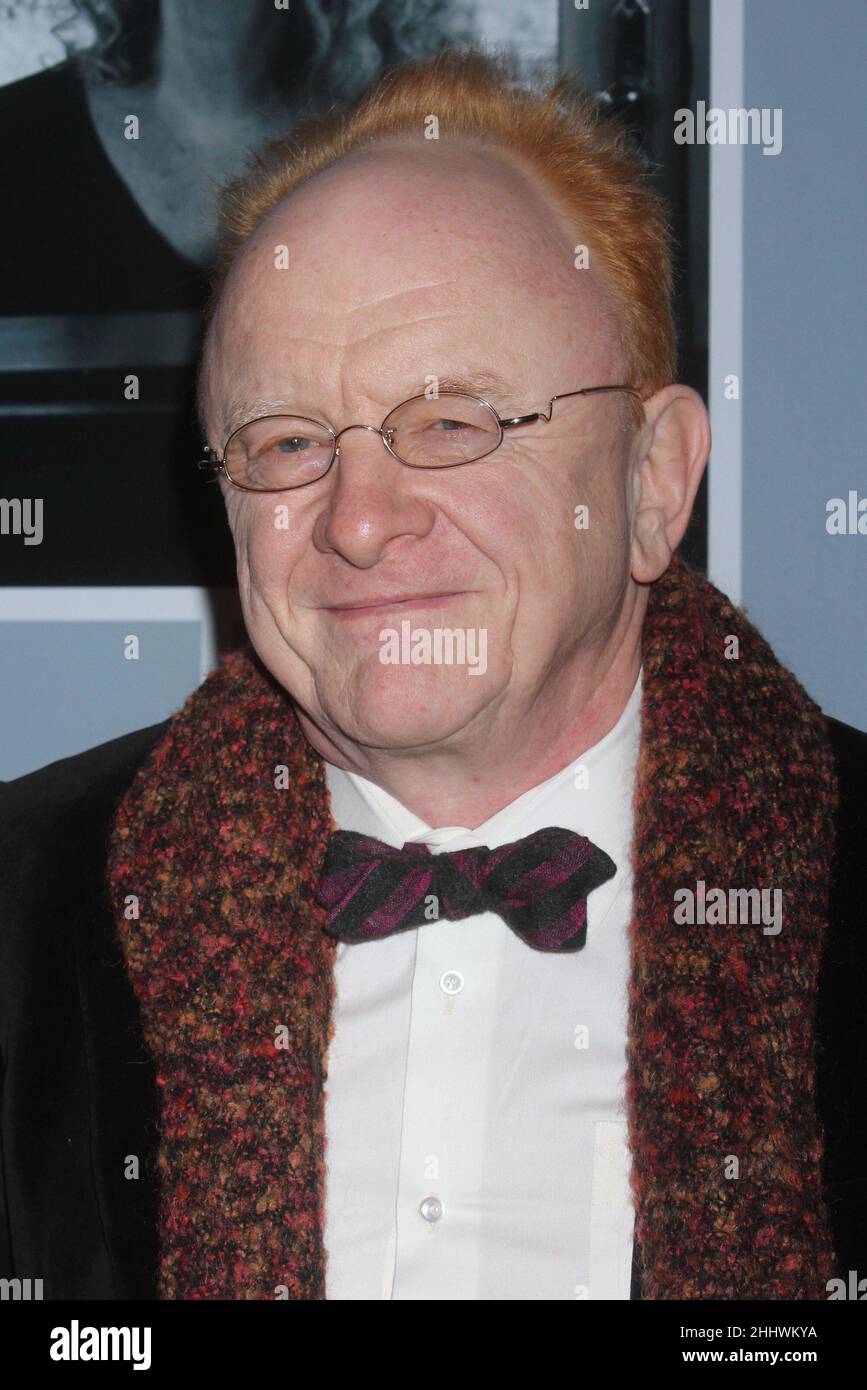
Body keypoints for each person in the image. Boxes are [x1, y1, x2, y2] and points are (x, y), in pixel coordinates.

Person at [1, 48, 864, 1302]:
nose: (357, 520)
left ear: (651, 483)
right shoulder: (24, 917)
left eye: (452, 421)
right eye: (287, 441)